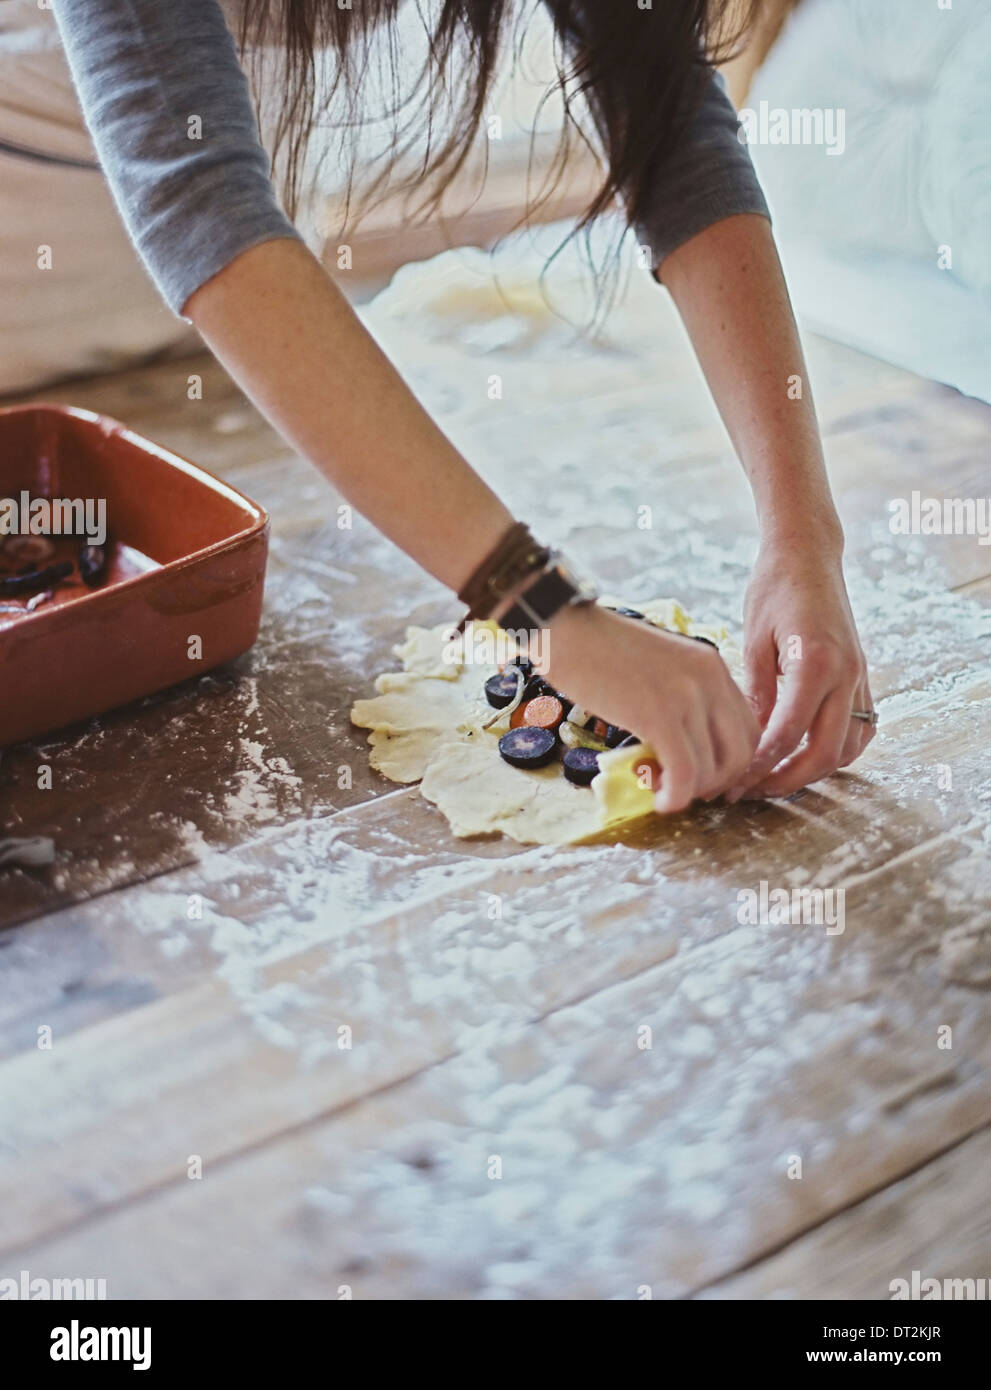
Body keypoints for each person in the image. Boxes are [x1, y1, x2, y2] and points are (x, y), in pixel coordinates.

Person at [41, 0, 874, 813]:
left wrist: (802, 537)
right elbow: (199, 207)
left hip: (251, 311)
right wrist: (548, 618)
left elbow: (674, 129)